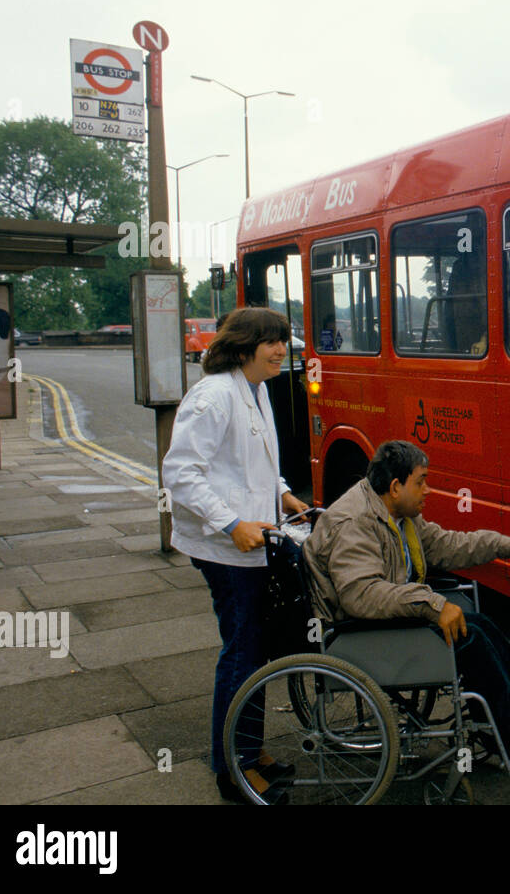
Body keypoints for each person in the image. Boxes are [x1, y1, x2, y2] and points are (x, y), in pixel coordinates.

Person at [303, 440, 510, 763]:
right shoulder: (355, 523)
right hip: (360, 634)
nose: (428, 490)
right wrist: (432, 603)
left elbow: (446, 545)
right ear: (396, 487)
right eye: (421, 481)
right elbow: (362, 595)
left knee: (479, 623)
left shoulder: (395, 512)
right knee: (470, 640)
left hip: (385, 620)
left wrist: (505, 545)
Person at [162, 307, 310, 804]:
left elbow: (257, 460)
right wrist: (230, 523)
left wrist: (284, 493)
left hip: (255, 539)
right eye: (271, 341)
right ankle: (232, 770)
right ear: (244, 345)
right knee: (242, 652)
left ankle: (248, 750)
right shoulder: (213, 395)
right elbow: (181, 473)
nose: (280, 349)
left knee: (254, 650)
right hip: (224, 548)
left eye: (284, 340)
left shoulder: (257, 388)